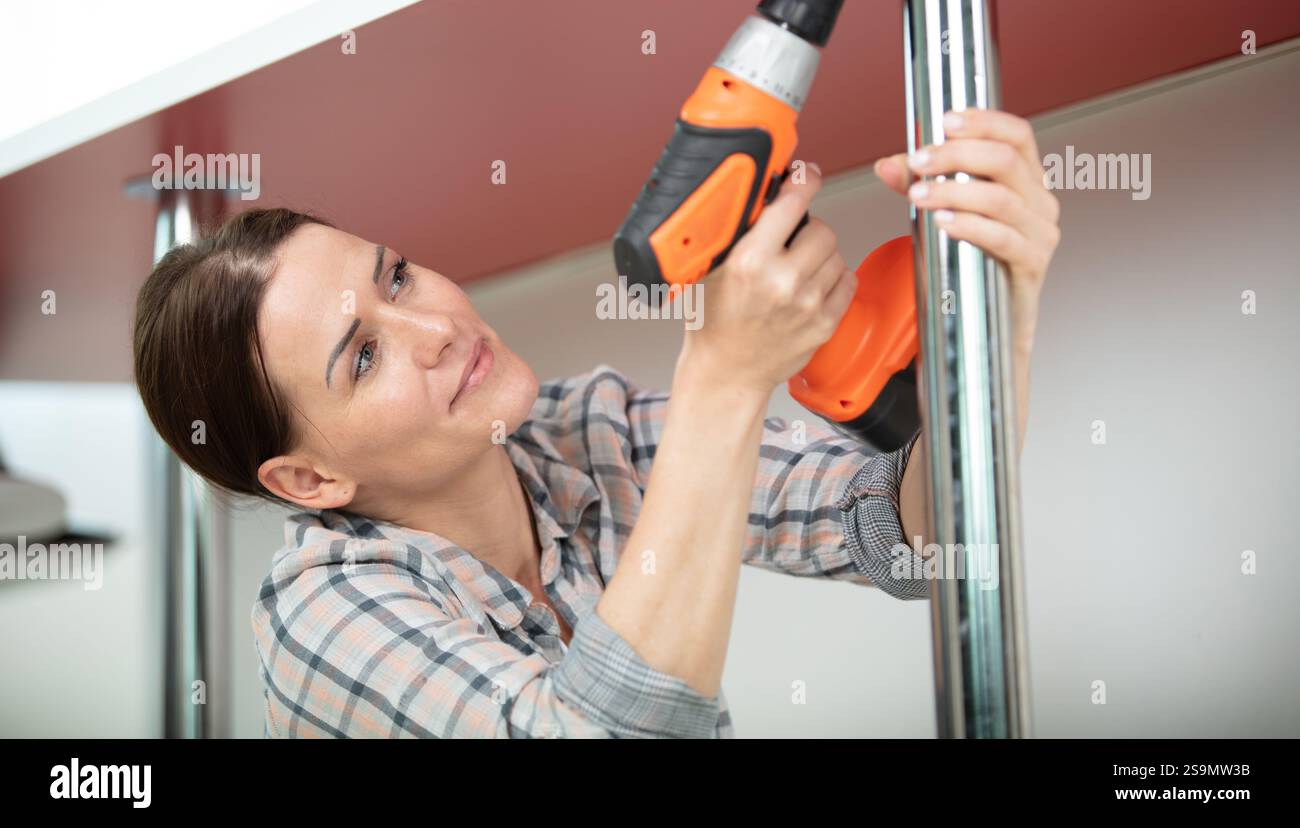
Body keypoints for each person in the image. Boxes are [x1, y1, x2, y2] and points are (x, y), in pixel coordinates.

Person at [131, 108, 1059, 737]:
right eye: (364, 356)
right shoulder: (320, 618)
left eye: (398, 276)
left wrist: (992, 324)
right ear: (308, 481)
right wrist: (724, 378)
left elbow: (904, 543)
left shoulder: (584, 435)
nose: (438, 329)